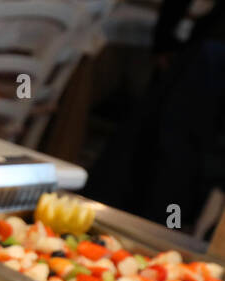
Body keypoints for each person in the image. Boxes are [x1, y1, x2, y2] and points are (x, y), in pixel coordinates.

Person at [88, 0, 225, 231]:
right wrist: (164, 42)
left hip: (206, 59)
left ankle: (158, 226)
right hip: (203, 58)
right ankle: (148, 225)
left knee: (175, 152)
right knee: (166, 149)